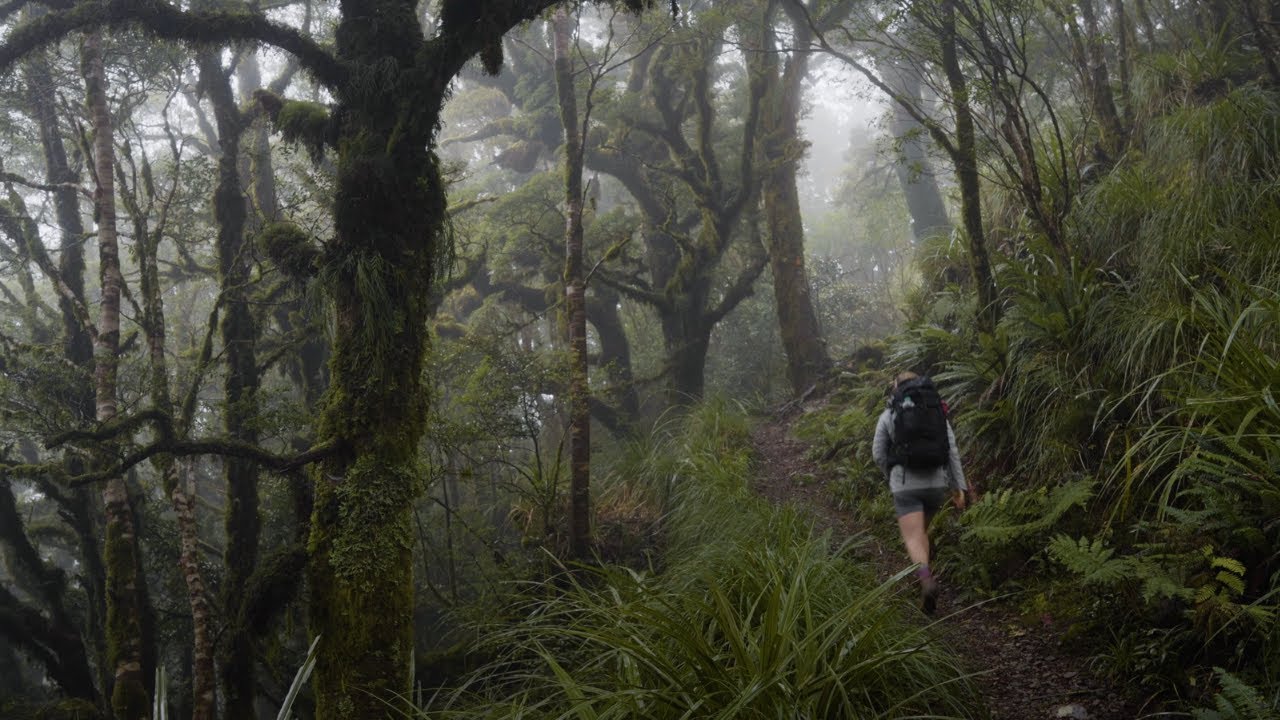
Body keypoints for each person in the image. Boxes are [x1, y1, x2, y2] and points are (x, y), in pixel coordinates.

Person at [872, 371, 974, 614]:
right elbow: (952, 452)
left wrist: (892, 475)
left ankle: (926, 580)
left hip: (906, 484)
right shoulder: (937, 413)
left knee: (913, 536)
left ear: (896, 388)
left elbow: (878, 453)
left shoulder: (890, 413)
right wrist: (959, 486)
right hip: (936, 484)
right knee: (922, 532)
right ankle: (923, 574)